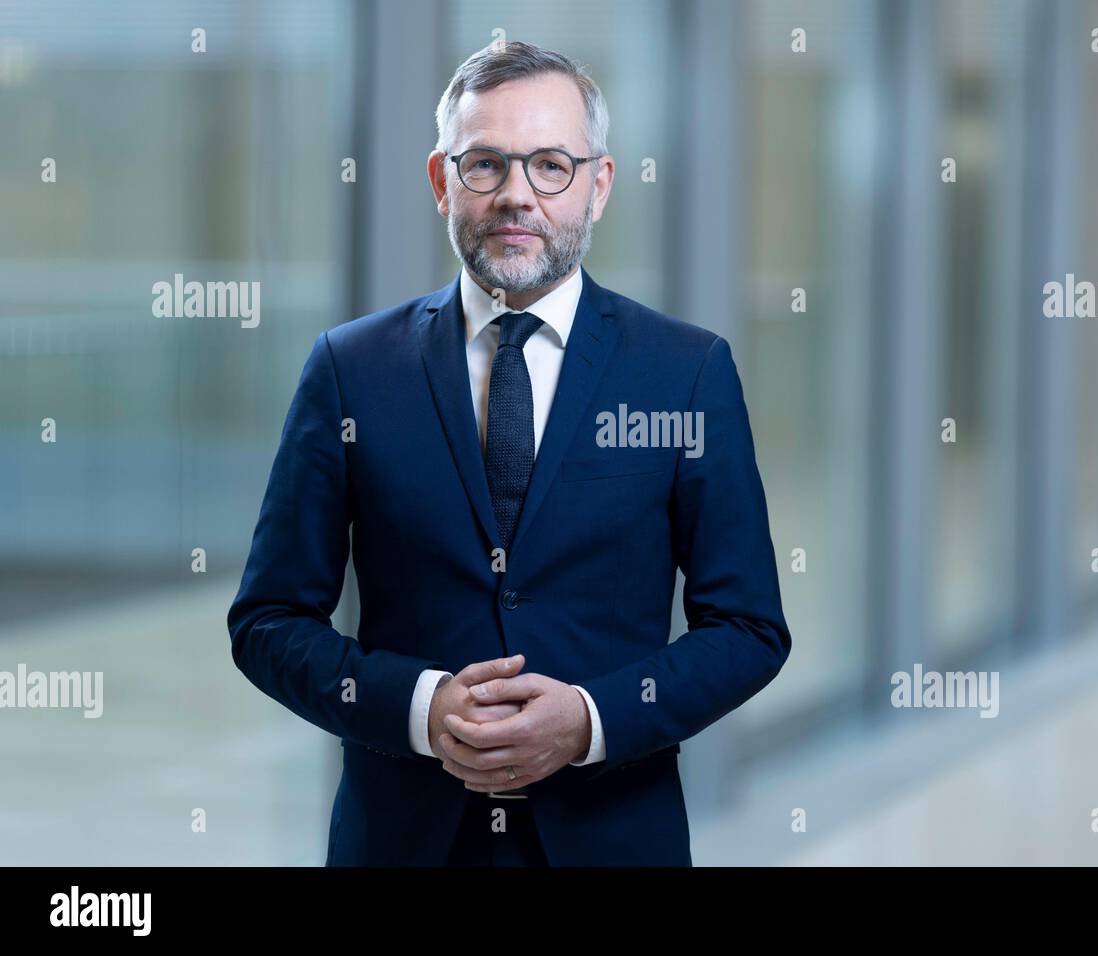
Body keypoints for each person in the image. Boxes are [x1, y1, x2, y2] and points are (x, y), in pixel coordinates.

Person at [227, 40, 791, 866]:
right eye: (485, 164)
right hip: (403, 841)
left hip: (611, 837)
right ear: (440, 181)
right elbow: (268, 620)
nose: (516, 195)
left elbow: (748, 627)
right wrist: (422, 708)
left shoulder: (685, 372)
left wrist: (592, 720)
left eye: (551, 165)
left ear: (598, 186)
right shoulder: (351, 370)